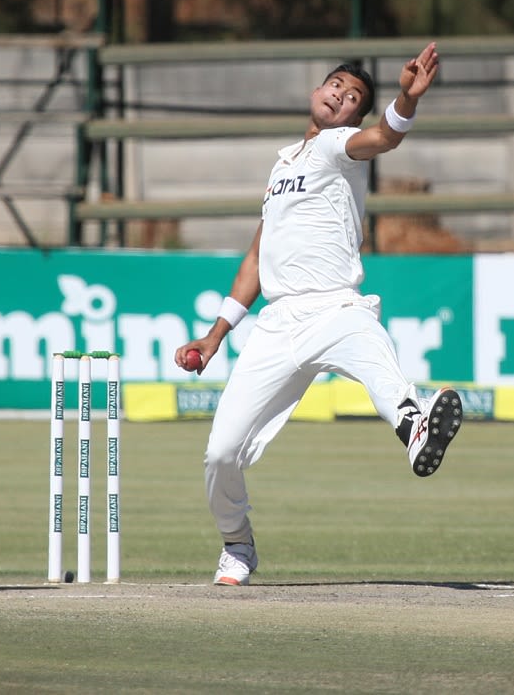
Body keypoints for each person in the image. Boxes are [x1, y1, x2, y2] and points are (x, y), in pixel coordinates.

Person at [174, 42, 463, 586]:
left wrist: (405, 99)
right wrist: (215, 336)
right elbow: (257, 258)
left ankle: (415, 426)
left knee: (380, 365)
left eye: (353, 96)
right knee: (220, 454)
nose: (341, 95)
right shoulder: (282, 166)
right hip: (278, 323)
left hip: (335, 306)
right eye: (336, 85)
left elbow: (384, 137)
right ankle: (237, 544)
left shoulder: (337, 146)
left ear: (352, 115)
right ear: (316, 91)